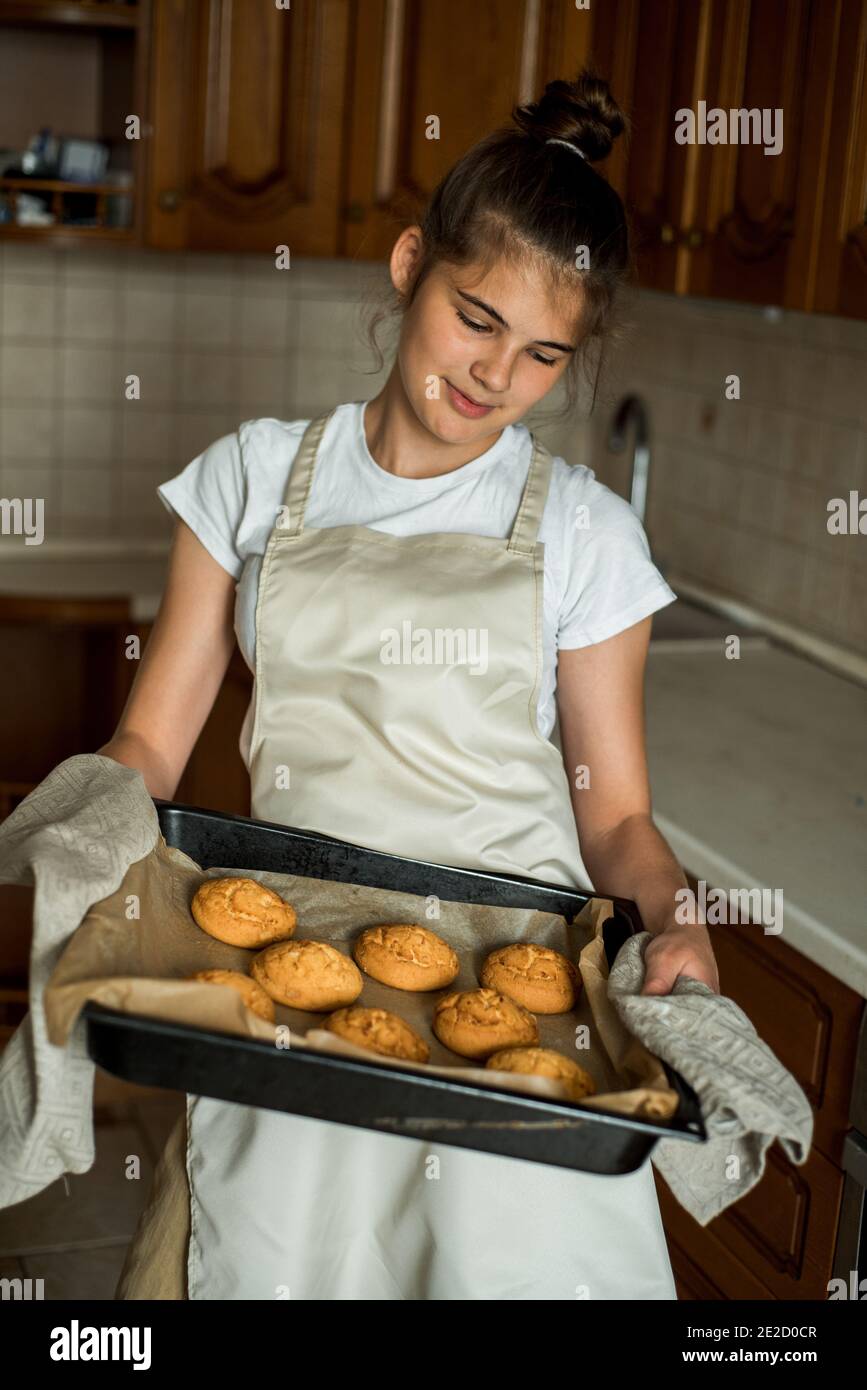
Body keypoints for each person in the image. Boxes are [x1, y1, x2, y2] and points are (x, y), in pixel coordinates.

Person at [105, 70, 719, 1301]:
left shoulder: (585, 534)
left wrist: (677, 915)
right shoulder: (253, 479)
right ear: (407, 267)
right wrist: (87, 820)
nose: (497, 375)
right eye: (476, 317)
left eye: (544, 353)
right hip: (301, 975)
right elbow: (151, 743)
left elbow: (614, 817)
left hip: (516, 992)